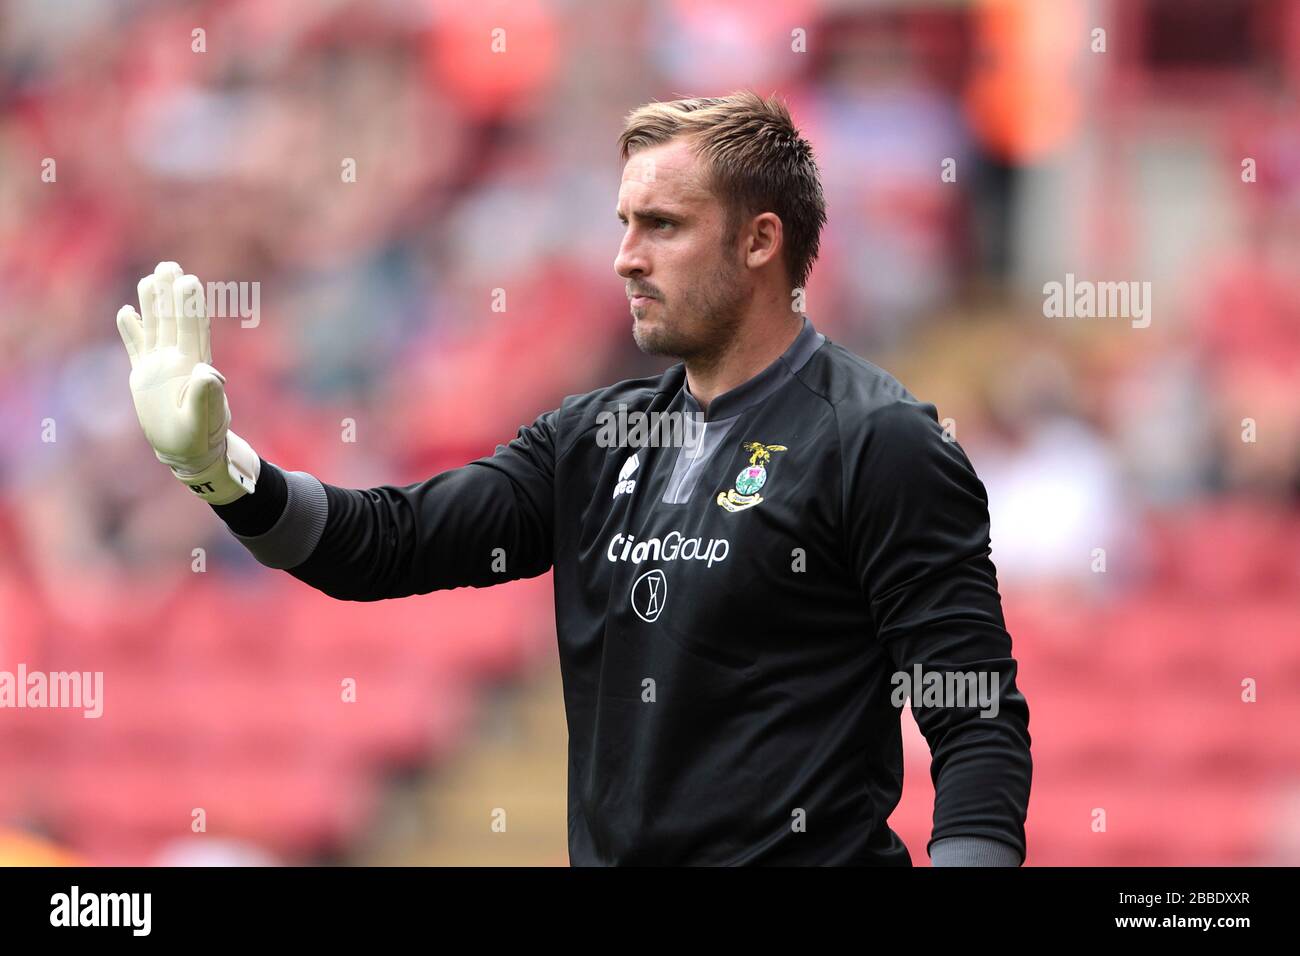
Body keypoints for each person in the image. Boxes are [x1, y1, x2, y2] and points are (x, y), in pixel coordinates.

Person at [118, 91, 1031, 866]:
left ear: (761, 241)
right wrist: (219, 469)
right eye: (624, 224)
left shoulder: (879, 441)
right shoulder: (595, 439)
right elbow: (383, 546)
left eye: (663, 226)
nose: (625, 256)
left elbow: (976, 717)